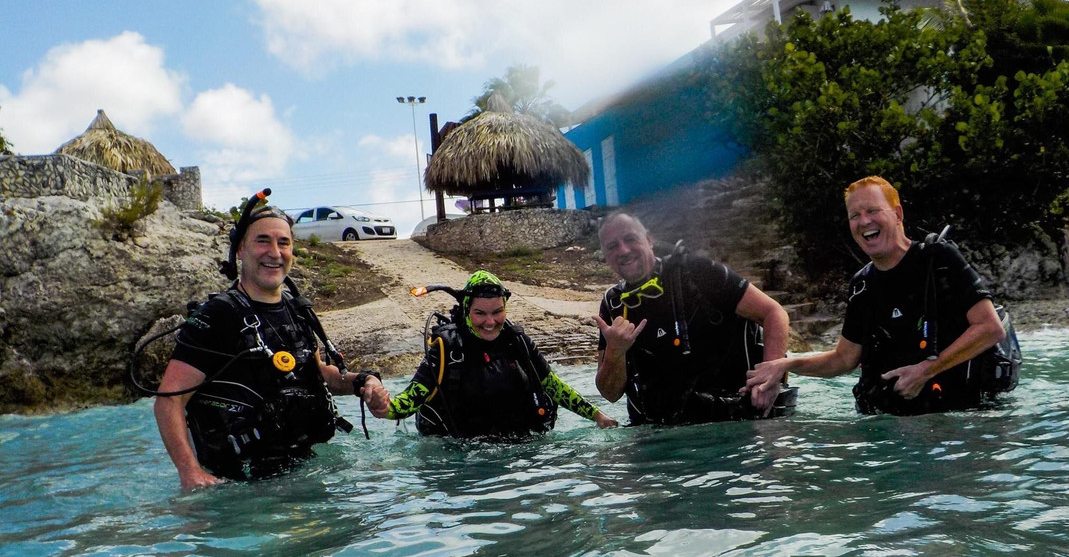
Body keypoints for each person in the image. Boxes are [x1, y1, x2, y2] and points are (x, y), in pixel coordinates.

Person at [153, 190, 390, 489]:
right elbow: (169, 401)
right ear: (240, 249)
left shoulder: (297, 309)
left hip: (306, 468)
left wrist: (364, 383)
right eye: (262, 241)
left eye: (283, 242)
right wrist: (189, 473)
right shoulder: (217, 316)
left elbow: (319, 375)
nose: (274, 252)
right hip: (240, 484)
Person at [744, 175, 1017, 415]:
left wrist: (925, 371)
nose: (864, 221)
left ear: (898, 214)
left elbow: (990, 328)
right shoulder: (862, 284)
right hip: (885, 427)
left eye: (873, 210)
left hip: (954, 423)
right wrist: (786, 363)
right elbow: (844, 359)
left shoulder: (939, 260)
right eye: (855, 215)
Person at [594, 212, 796, 425]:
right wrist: (615, 353)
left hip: (736, 424)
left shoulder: (697, 273)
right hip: (658, 437)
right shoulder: (613, 304)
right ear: (605, 256)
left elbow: (774, 313)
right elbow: (610, 394)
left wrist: (770, 379)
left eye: (630, 239)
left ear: (649, 240)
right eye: (612, 246)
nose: (623, 250)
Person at [371, 270, 618, 437]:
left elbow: (552, 386)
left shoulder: (517, 342)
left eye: (497, 312)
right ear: (467, 310)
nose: (490, 322)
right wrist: (385, 407)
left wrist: (597, 416)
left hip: (520, 454)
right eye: (480, 313)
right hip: (461, 461)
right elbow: (411, 399)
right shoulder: (447, 349)